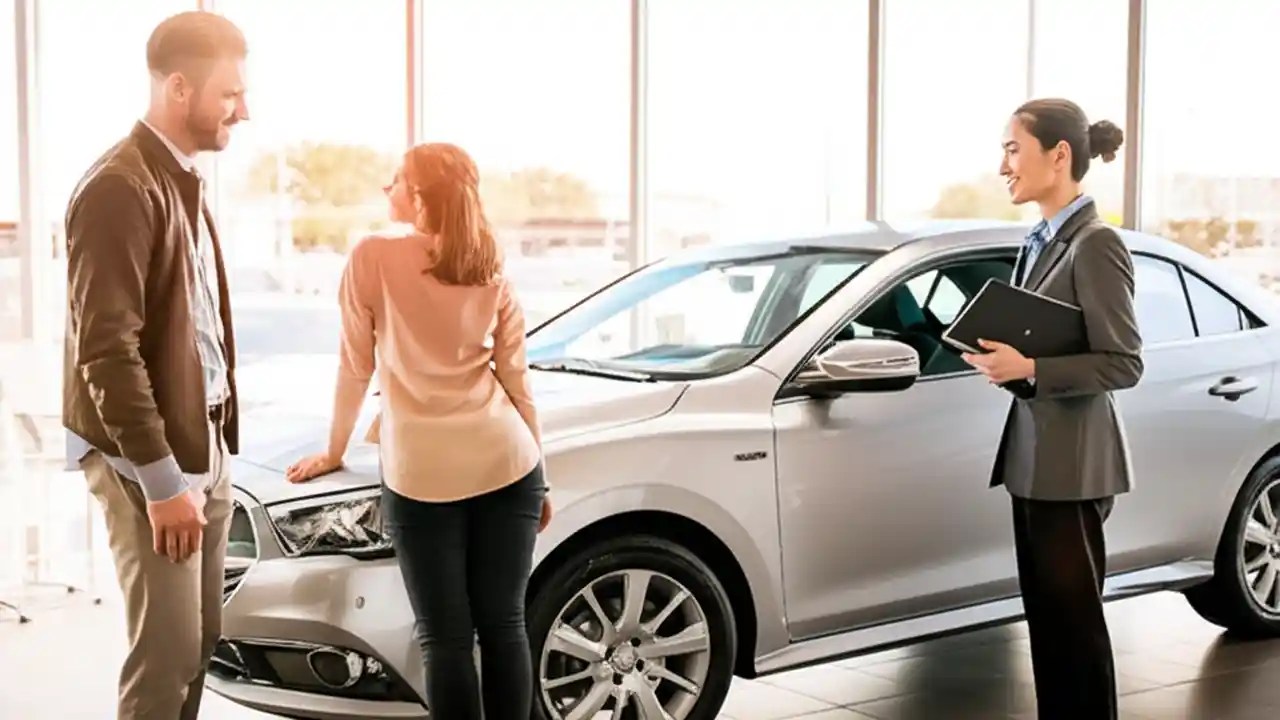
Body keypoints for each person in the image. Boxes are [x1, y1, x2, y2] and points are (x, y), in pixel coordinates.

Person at [285, 142, 552, 719]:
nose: (387, 189)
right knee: (505, 627)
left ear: (420, 196)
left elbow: (355, 367)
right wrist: (542, 478)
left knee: (447, 641)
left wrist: (335, 451)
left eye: (396, 180)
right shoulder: (487, 262)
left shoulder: (372, 257)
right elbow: (515, 379)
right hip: (509, 463)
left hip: (423, 475)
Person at [61, 10, 249, 720]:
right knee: (165, 658)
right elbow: (105, 350)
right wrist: (163, 482)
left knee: (198, 646)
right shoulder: (119, 187)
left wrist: (214, 451)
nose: (244, 109)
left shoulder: (179, 179)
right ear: (179, 89)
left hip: (201, 445)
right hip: (151, 461)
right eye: (230, 94)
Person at [961, 98, 1143, 720]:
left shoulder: (1095, 244)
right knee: (1049, 630)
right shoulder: (1039, 240)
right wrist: (1003, 361)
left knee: (1075, 632)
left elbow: (1124, 362)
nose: (1004, 166)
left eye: (1013, 149)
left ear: (1058, 155)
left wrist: (1032, 369)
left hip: (1074, 468)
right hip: (1035, 463)